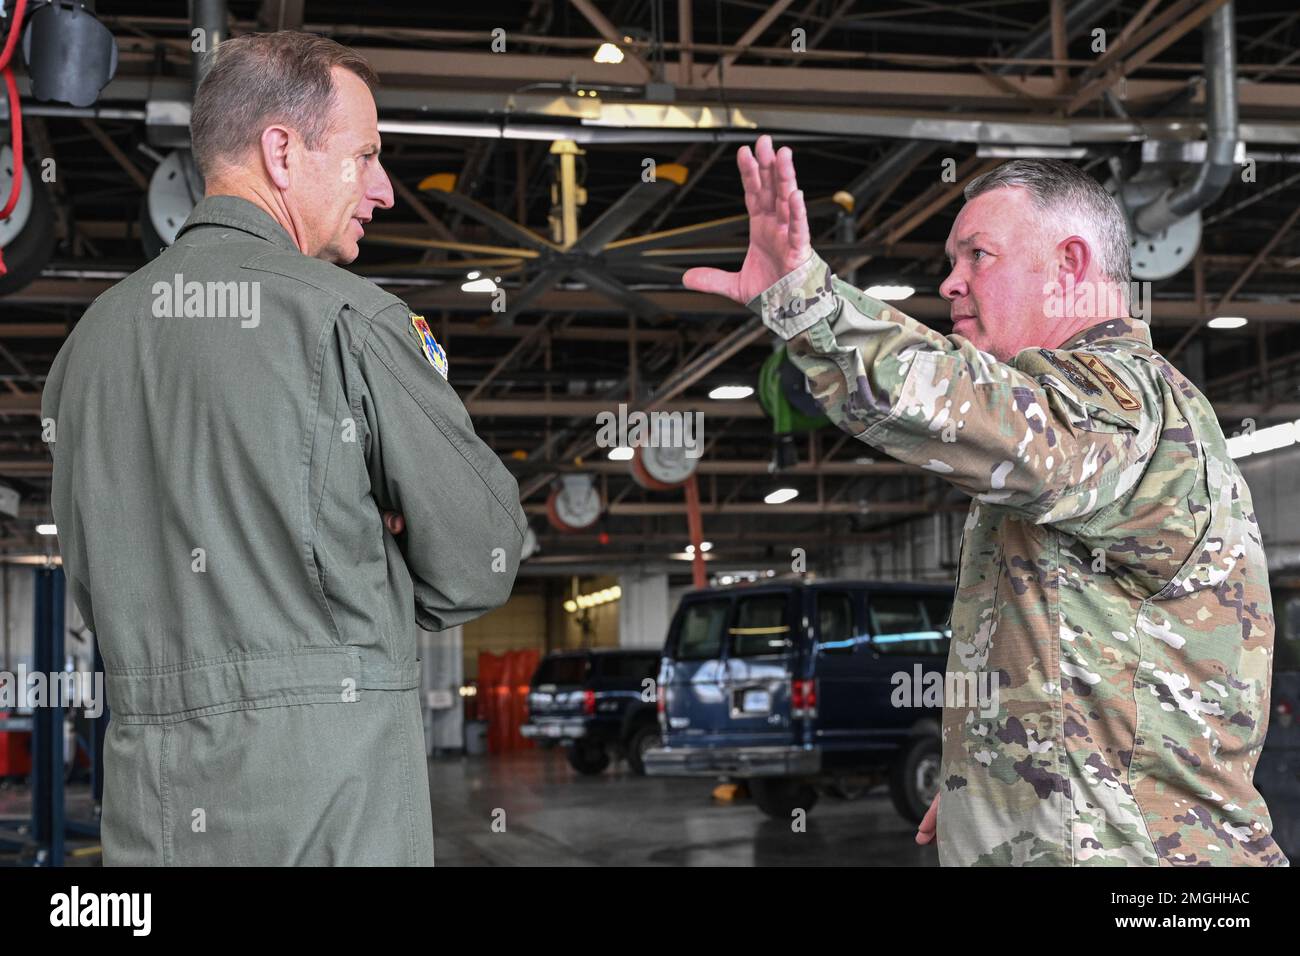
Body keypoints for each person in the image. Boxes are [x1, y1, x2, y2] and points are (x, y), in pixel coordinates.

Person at [685, 135, 1288, 867]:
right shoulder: (1081, 410)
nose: (950, 282)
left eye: (978, 255)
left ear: (1069, 265)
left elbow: (971, 408)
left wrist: (807, 302)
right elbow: (1077, 646)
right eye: (951, 261)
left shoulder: (1123, 401)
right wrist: (998, 778)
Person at [41, 31, 525, 865]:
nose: (384, 190)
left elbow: (98, 581)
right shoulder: (350, 322)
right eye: (366, 155)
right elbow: (479, 558)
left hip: (147, 828)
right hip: (332, 822)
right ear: (282, 151)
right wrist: (378, 545)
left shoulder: (87, 348)